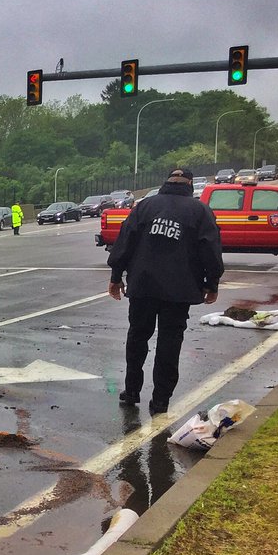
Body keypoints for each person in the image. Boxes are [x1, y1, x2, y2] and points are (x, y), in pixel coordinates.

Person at [107, 168, 223, 416]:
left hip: (143, 286)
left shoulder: (145, 207)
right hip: (179, 290)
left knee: (137, 338)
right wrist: (211, 283)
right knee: (170, 343)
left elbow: (125, 241)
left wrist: (116, 276)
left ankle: (131, 391)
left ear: (166, 183)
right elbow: (210, 250)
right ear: (190, 185)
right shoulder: (200, 211)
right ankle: (160, 400)